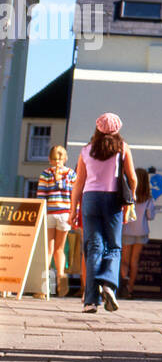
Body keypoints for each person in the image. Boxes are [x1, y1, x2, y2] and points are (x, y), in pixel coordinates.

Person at [70, 113, 138, 313]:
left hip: (90, 199)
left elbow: (78, 183)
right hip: (112, 199)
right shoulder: (122, 149)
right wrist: (130, 200)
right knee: (114, 246)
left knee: (93, 248)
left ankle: (90, 301)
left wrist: (73, 209)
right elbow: (133, 179)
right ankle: (108, 283)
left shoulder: (86, 151)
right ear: (118, 130)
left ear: (97, 129)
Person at [38, 145, 74, 297]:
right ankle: (62, 281)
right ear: (65, 158)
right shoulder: (71, 174)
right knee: (60, 249)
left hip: (50, 213)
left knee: (48, 249)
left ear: (49, 159)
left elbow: (41, 197)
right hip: (65, 215)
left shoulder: (46, 174)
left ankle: (44, 289)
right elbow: (75, 196)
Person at [120, 169, 158, 297]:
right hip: (141, 232)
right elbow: (150, 216)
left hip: (127, 231)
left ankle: (123, 285)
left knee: (124, 260)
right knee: (134, 261)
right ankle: (130, 288)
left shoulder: (129, 195)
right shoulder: (148, 199)